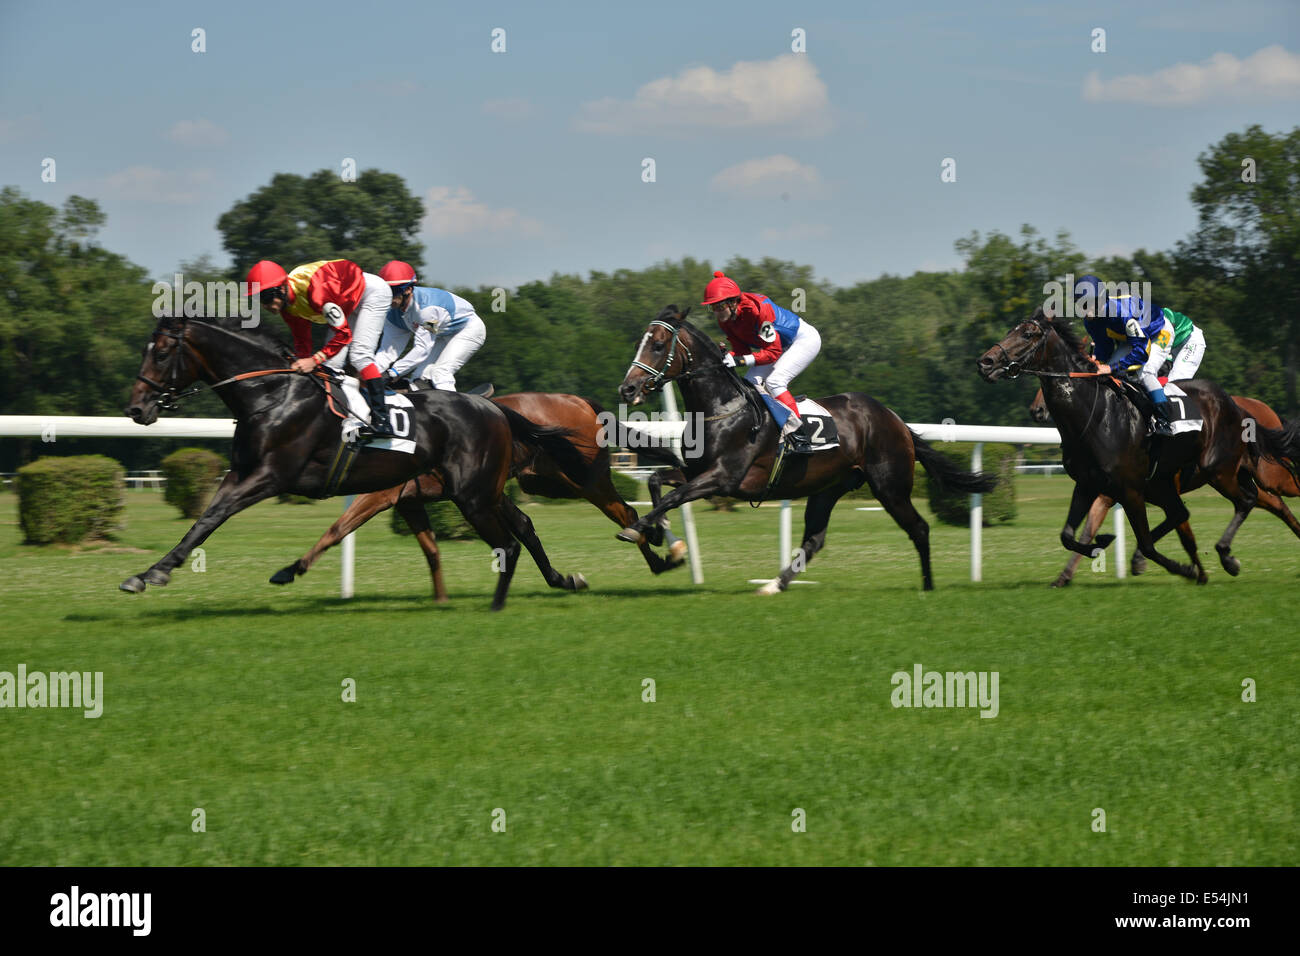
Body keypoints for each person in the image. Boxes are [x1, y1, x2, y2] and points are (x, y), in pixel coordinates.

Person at [245, 258, 395, 436]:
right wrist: (301, 361)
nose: (266, 305)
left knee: (360, 356)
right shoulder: (288, 307)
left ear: (283, 287)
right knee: (330, 367)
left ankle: (383, 421)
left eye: (268, 297)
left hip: (370, 294)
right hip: (346, 301)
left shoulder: (317, 292)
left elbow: (343, 335)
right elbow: (302, 341)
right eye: (260, 299)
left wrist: (314, 359)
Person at [701, 270, 822, 453]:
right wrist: (730, 356)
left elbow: (772, 353)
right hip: (779, 347)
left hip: (802, 340)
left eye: (720, 307)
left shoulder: (759, 310)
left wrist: (741, 360)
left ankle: (800, 437)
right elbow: (743, 351)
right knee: (750, 384)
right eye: (713, 308)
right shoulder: (726, 321)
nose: (717, 313)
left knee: (775, 382)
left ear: (733, 302)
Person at [1074, 274, 1192, 437]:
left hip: (1158, 332)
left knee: (1146, 372)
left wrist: (1112, 367)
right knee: (1105, 374)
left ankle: (1165, 421)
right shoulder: (1091, 321)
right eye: (1080, 304)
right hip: (1133, 338)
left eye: (1086, 304)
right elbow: (1104, 346)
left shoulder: (1120, 312)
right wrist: (1099, 362)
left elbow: (1141, 352)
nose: (1083, 309)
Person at [373, 261, 487, 391]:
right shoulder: (391, 314)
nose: (388, 297)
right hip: (440, 335)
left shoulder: (429, 311)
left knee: (440, 373)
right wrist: (372, 374)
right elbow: (387, 352)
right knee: (418, 380)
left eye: (392, 292)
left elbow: (422, 349)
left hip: (468, 330)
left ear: (408, 289)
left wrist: (392, 373)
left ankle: (460, 409)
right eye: (384, 291)